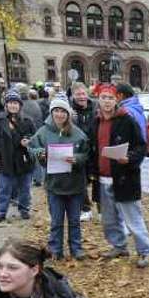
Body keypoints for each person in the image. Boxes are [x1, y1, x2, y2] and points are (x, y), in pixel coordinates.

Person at [87, 83, 149, 268]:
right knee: (108, 219)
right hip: (102, 178)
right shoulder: (95, 122)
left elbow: (141, 145)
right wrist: (91, 171)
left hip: (125, 177)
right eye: (103, 98)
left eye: (110, 98)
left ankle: (145, 251)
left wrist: (129, 158)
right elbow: (92, 150)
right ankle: (119, 245)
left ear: (117, 100)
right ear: (98, 100)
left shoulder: (127, 120)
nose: (107, 102)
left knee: (133, 218)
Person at [29, 96, 89, 260]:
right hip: (54, 184)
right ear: (52, 112)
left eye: (63, 111)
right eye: (56, 111)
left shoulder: (78, 133)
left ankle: (76, 248)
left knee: (75, 220)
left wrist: (77, 158)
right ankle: (56, 249)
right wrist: (39, 153)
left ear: (68, 114)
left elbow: (87, 153)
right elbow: (32, 147)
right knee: (56, 221)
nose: (60, 114)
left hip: (75, 184)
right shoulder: (43, 131)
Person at [0, 90, 37, 223]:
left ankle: (24, 209)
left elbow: (34, 137)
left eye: (15, 103)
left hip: (23, 159)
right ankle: (1, 212)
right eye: (10, 103)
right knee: (3, 187)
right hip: (5, 159)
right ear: (6, 105)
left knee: (25, 187)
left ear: (20, 105)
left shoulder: (27, 120)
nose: (13, 106)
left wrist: (27, 140)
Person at [69, 82, 96, 221]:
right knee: (81, 181)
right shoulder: (69, 111)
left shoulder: (95, 108)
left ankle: (103, 209)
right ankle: (85, 208)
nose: (81, 97)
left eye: (83, 93)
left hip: (94, 150)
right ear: (73, 96)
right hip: (79, 152)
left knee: (98, 180)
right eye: (78, 94)